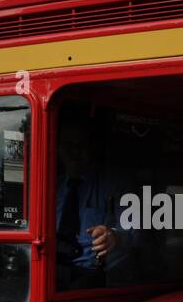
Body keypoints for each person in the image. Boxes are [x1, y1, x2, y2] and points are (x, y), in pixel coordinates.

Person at [55, 105, 132, 288]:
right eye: (69, 145)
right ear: (58, 148)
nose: (75, 151)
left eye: (81, 145)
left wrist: (115, 236)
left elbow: (138, 232)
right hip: (53, 271)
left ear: (92, 147)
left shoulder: (115, 182)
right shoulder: (52, 186)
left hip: (98, 276)